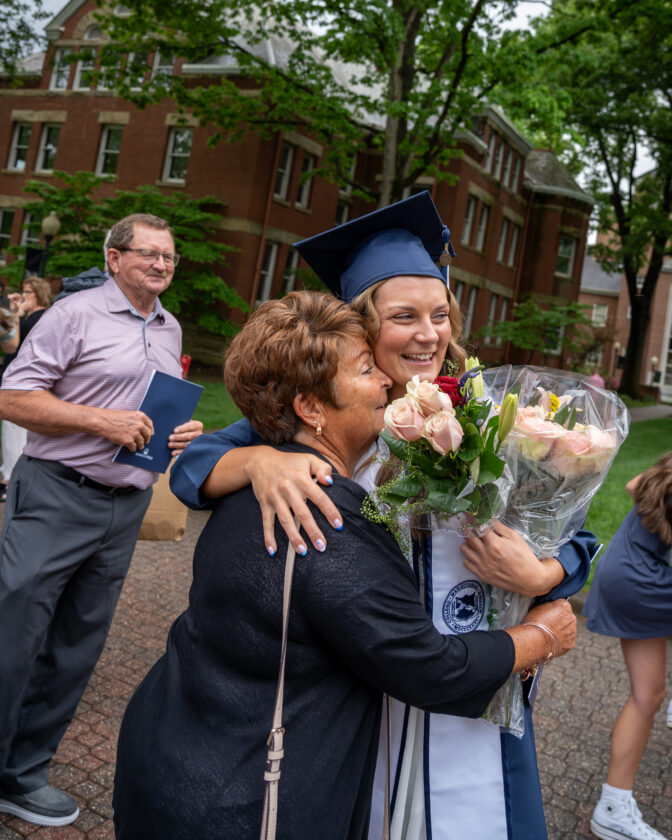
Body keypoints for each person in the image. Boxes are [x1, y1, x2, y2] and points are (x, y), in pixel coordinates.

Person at [169, 191, 597, 839]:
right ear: (363, 326)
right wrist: (259, 462)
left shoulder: (488, 416)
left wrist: (543, 575)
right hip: (366, 696)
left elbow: (572, 531)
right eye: (404, 317)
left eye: (441, 314)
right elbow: (193, 467)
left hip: (477, 686)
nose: (430, 334)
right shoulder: (327, 417)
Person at [0, 213, 203, 828]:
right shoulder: (74, 315)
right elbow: (12, 396)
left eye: (169, 256)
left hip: (124, 507)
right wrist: (99, 421)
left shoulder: (169, 328)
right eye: (149, 253)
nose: (162, 265)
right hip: (57, 493)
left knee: (75, 649)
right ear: (115, 258)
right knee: (13, 638)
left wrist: (179, 434)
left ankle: (20, 776)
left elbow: (147, 413)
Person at [583, 453, 672, 840]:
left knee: (648, 695)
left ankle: (613, 808)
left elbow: (634, 485)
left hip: (623, 565)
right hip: (641, 579)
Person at [0, 277, 53, 498]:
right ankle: (9, 477)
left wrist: (15, 314)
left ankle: (10, 481)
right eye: (23, 291)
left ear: (39, 293)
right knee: (13, 432)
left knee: (16, 432)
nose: (23, 296)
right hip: (15, 377)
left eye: (28, 292)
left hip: (23, 382)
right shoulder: (29, 316)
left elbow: (15, 345)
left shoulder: (42, 317)